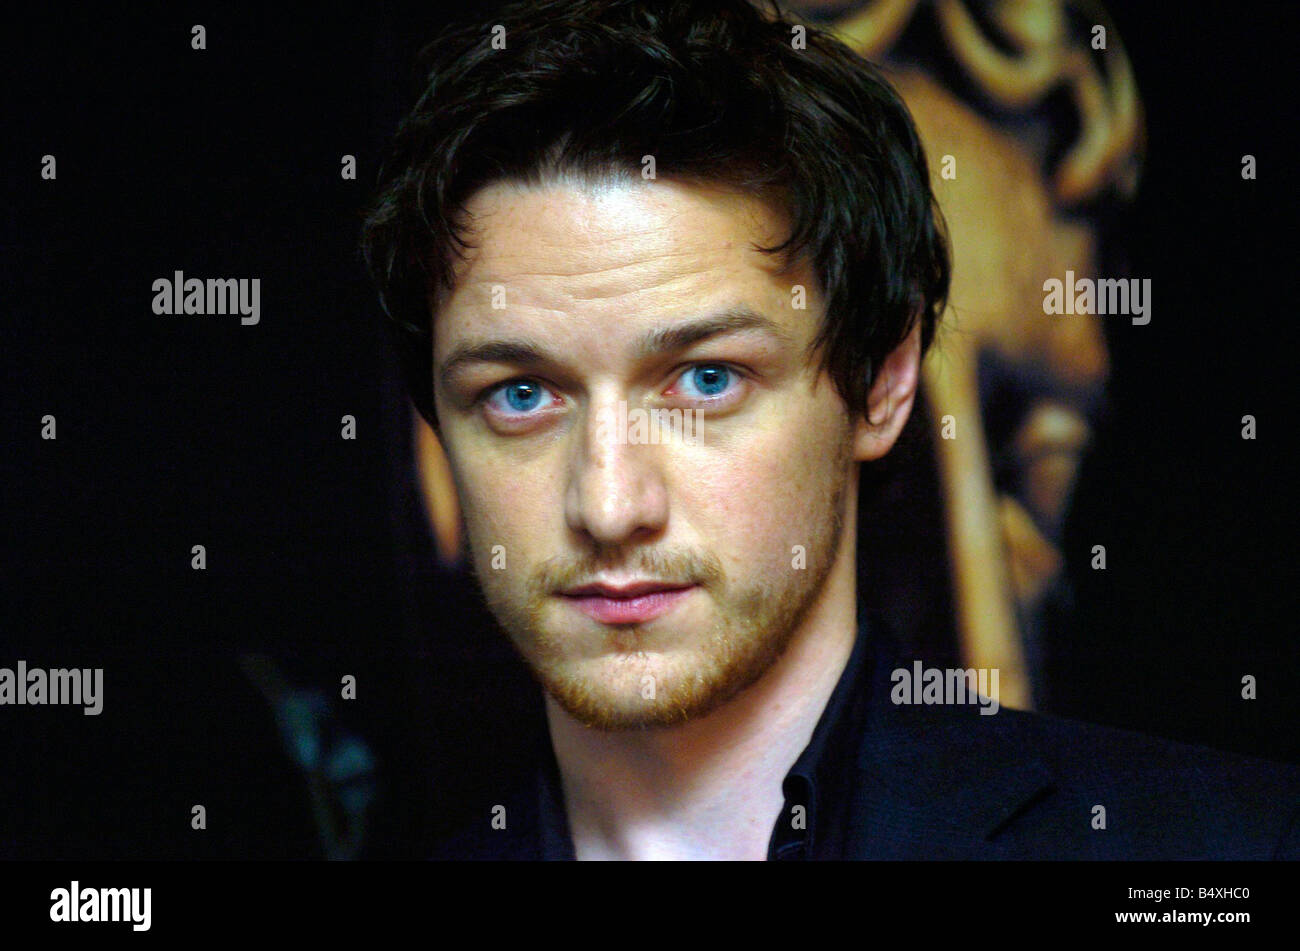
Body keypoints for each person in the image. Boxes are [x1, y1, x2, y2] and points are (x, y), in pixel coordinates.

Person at [361, 0, 1298, 860]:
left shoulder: (1217, 853)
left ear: (882, 383)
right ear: (436, 429)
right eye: (522, 394)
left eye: (707, 378)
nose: (609, 504)